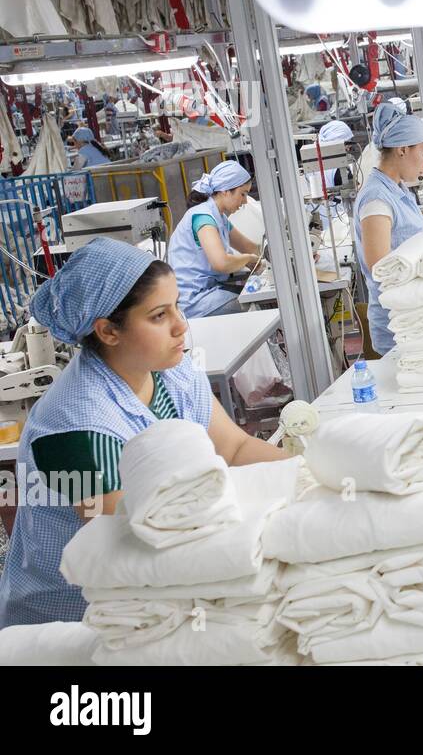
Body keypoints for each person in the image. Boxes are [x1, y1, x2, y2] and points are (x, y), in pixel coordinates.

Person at [0, 240, 286, 627]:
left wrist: (309, 473)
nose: (181, 325)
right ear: (108, 331)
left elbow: (234, 448)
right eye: (158, 316)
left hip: (155, 592)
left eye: (177, 306)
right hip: (79, 619)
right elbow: (127, 537)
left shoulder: (170, 370)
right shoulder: (73, 427)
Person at [354, 104, 423, 355]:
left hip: (414, 313)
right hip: (398, 323)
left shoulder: (398, 190)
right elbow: (383, 269)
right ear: (402, 150)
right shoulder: (376, 199)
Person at [167, 160, 259, 318]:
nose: (245, 201)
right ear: (225, 191)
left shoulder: (219, 217)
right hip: (195, 301)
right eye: (242, 194)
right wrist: (248, 259)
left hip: (209, 292)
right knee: (257, 305)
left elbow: (250, 247)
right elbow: (221, 263)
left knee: (256, 295)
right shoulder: (203, 218)